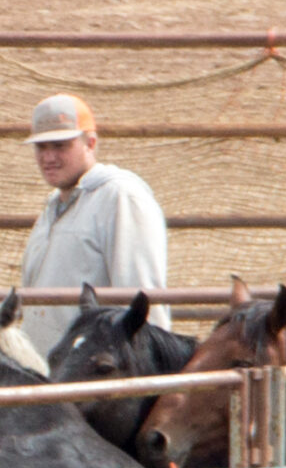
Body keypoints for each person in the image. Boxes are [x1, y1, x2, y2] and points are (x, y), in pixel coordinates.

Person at [16, 94, 171, 353]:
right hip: (51, 371)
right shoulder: (54, 207)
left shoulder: (120, 198)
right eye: (41, 147)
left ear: (90, 143)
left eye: (60, 145)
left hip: (92, 373)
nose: (48, 157)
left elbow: (142, 303)